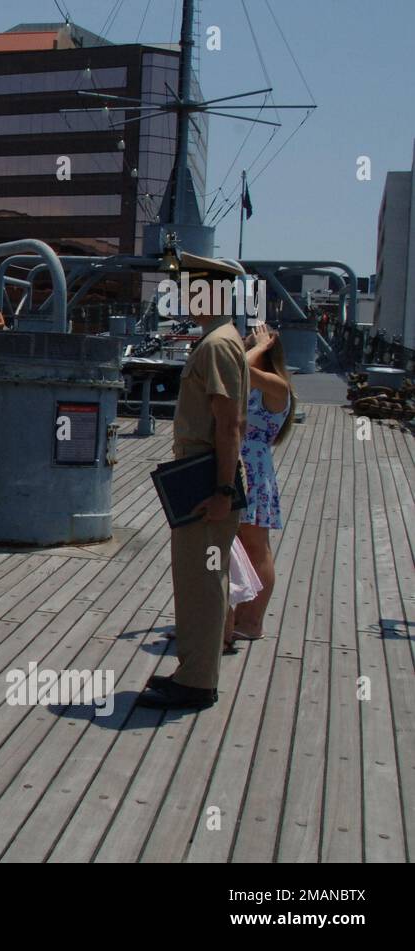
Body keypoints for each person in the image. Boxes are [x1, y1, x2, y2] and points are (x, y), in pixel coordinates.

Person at [140, 254, 250, 711]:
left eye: (192, 287)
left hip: (206, 481)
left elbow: (229, 425)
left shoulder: (217, 345)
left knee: (203, 582)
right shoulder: (218, 340)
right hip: (202, 476)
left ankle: (198, 683)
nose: (186, 295)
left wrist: (223, 492)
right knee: (197, 580)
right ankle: (193, 672)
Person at [232, 322, 295, 642]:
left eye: (250, 341)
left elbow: (237, 363)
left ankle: (252, 621)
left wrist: (259, 344)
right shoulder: (250, 384)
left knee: (256, 547)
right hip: (239, 467)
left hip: (253, 472)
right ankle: (234, 617)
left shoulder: (276, 385)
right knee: (236, 546)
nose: (244, 345)